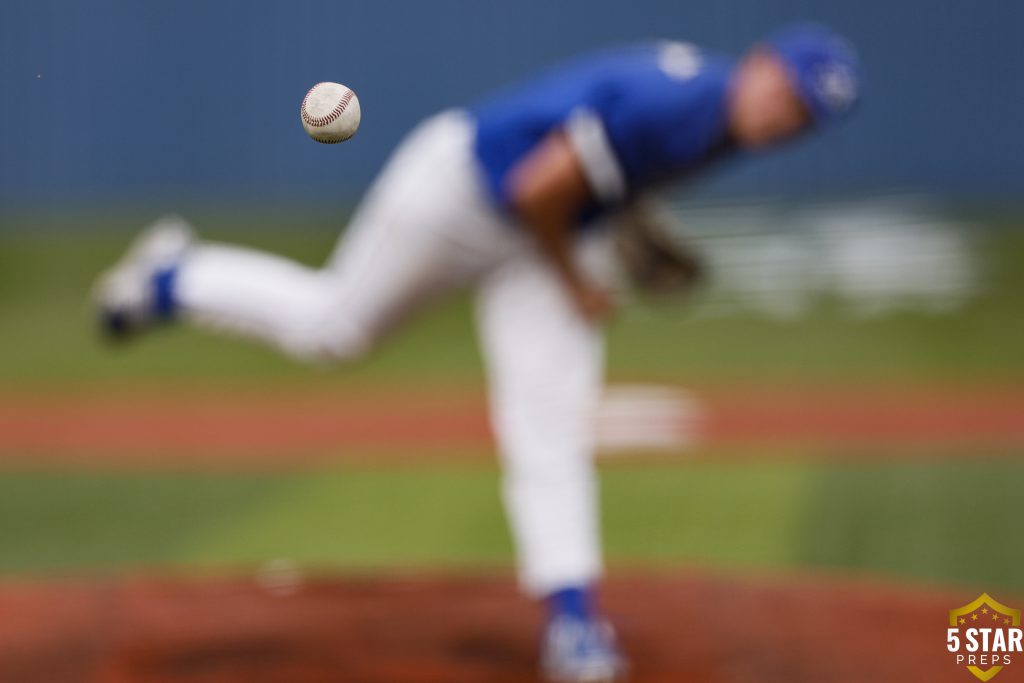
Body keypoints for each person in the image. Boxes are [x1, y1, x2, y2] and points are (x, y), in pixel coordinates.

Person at [95, 23, 860, 682]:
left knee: (550, 416)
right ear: (760, 62)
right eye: (787, 93)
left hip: (543, 231)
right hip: (462, 195)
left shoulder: (723, 116)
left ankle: (574, 621)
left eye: (803, 116)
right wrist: (581, 284)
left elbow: (602, 176)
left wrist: (626, 227)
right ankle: (171, 279)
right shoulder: (684, 102)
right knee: (333, 328)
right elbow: (538, 187)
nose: (784, 116)